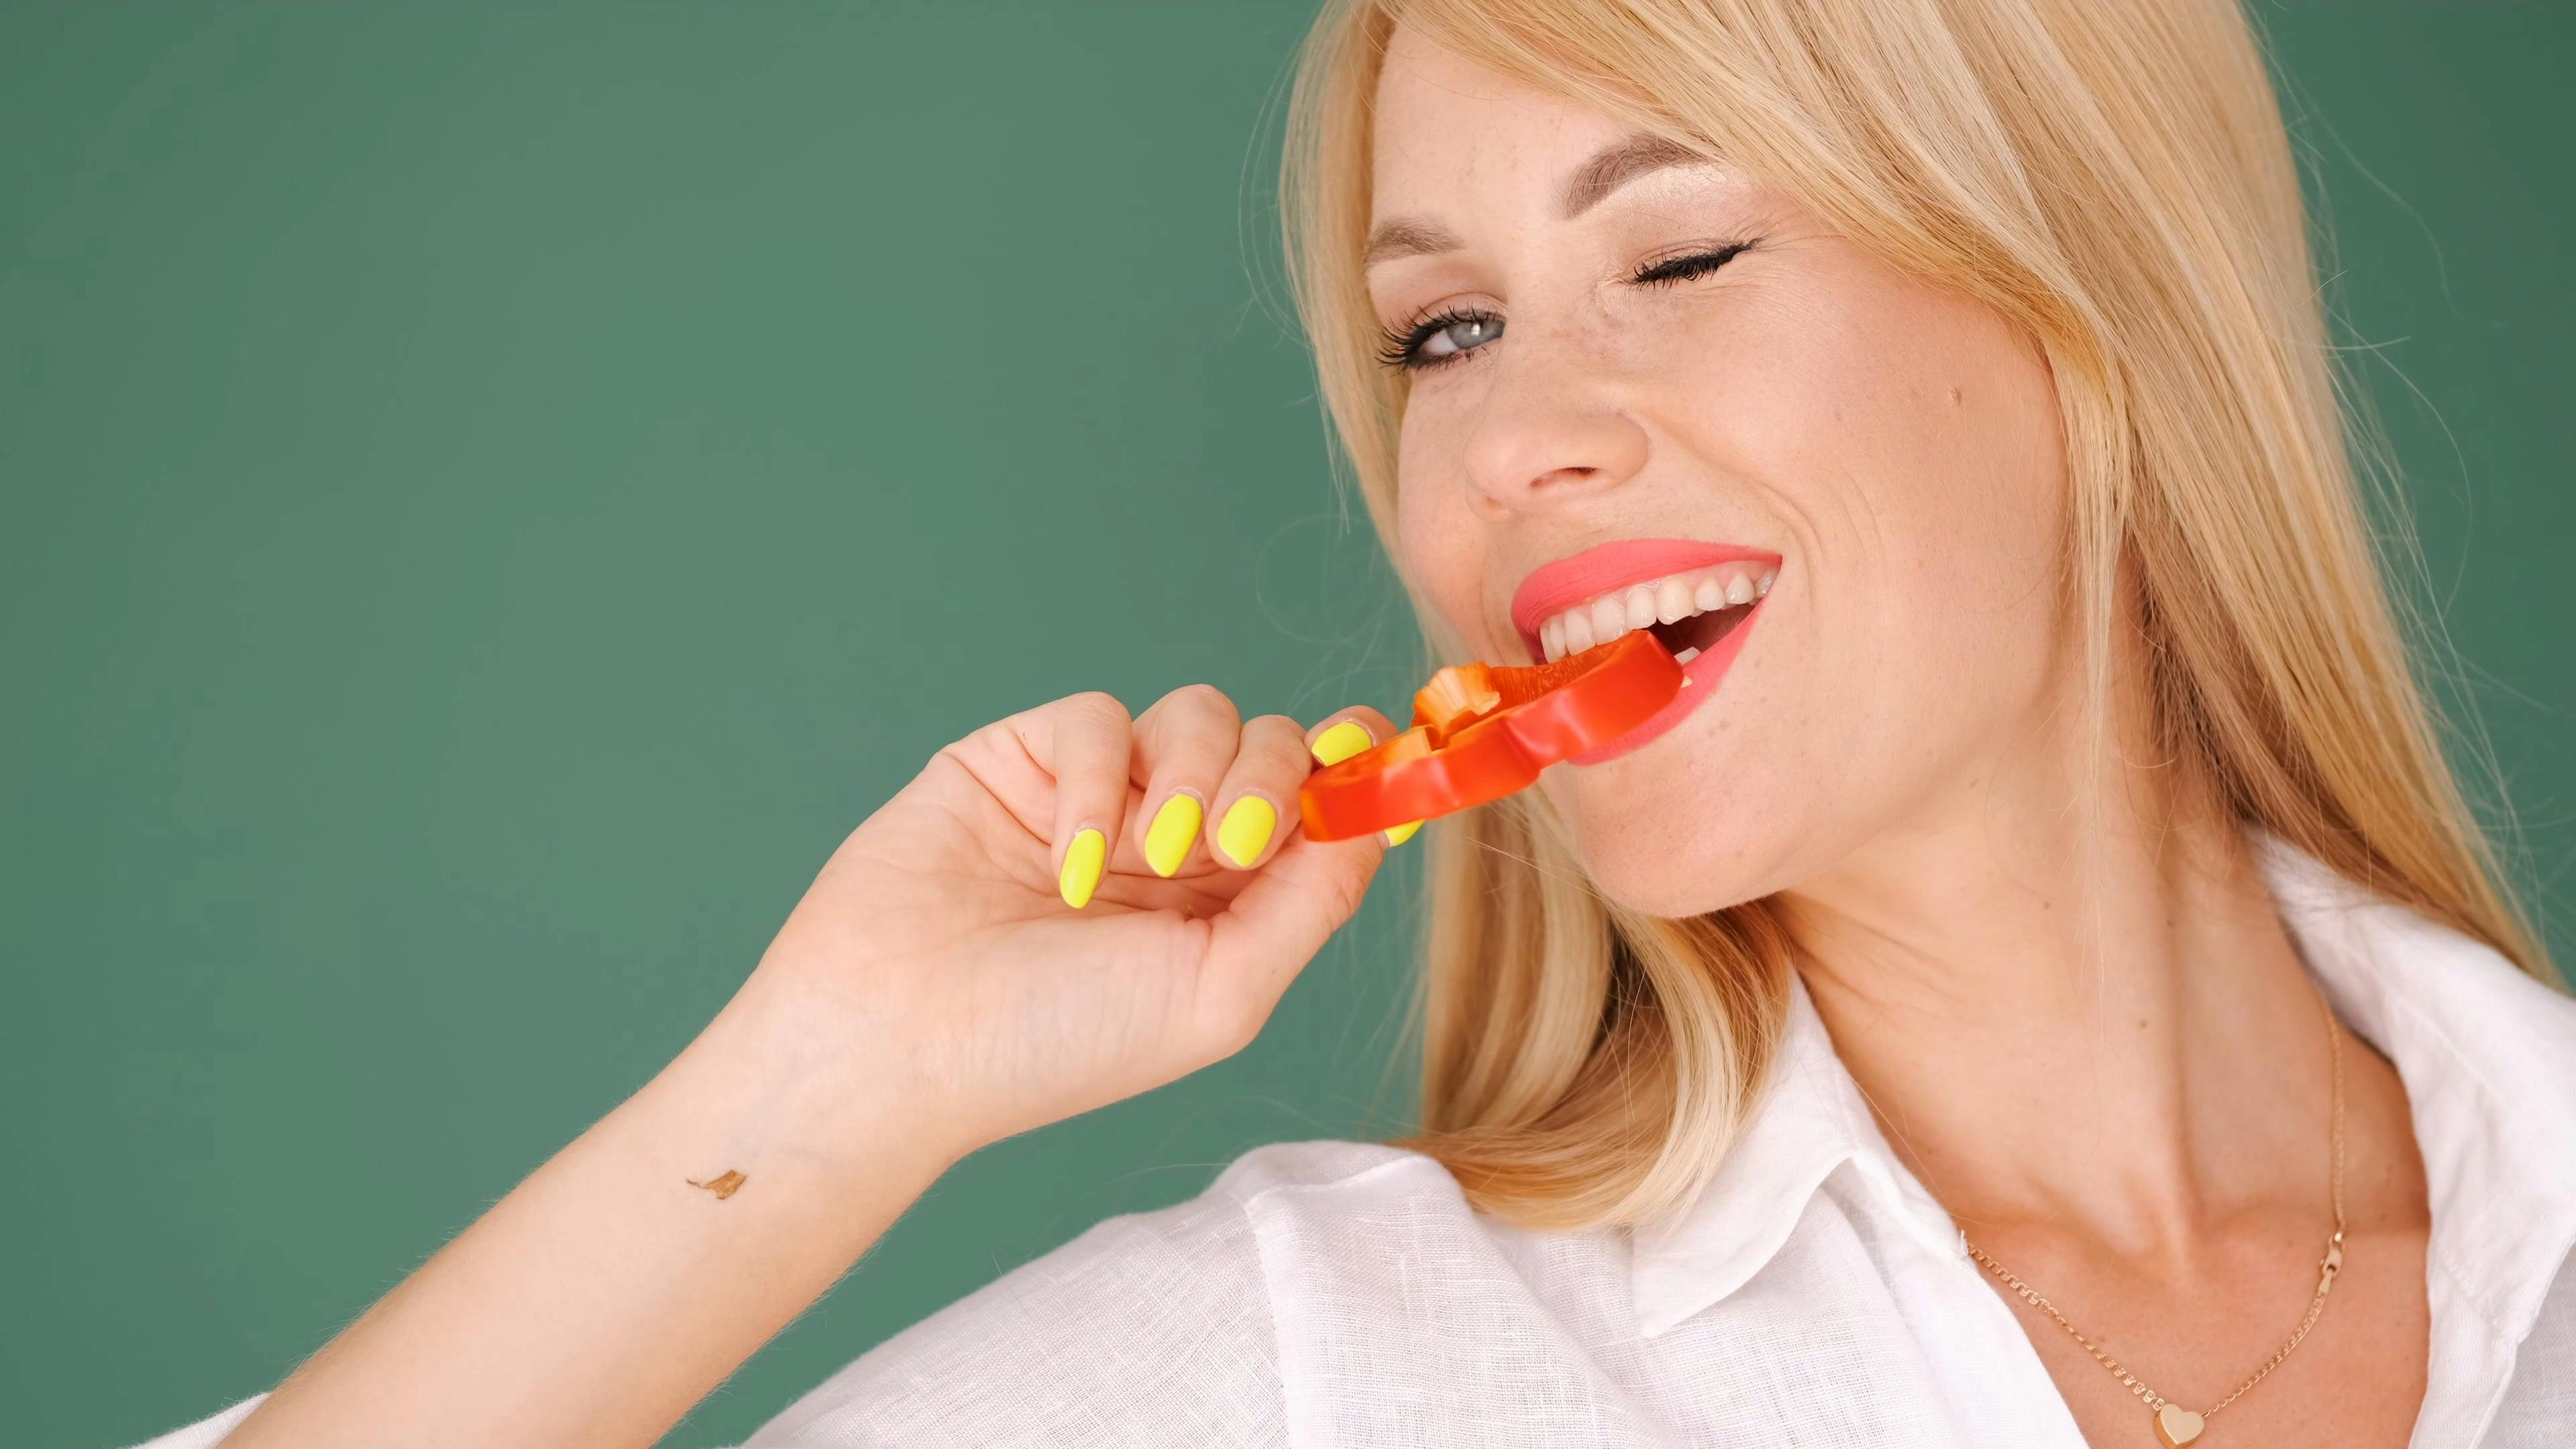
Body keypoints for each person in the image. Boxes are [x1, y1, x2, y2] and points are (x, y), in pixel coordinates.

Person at [135, 0, 2576, 1444]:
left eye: (1683, 253)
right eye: (1443, 331)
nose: (1511, 443)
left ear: (2094, 303)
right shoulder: (1325, 1367)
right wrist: (827, 1085)